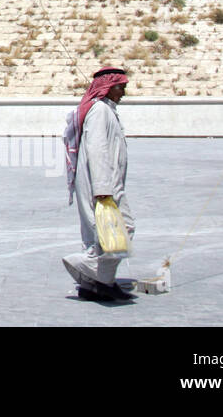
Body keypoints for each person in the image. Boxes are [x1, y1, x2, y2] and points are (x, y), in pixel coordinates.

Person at [61, 66, 134, 301]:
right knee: (120, 229)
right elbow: (97, 149)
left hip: (108, 183)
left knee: (103, 236)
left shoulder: (106, 110)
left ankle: (97, 283)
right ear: (108, 88)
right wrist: (103, 190)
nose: (123, 92)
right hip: (102, 185)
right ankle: (86, 266)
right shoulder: (100, 110)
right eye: (120, 87)